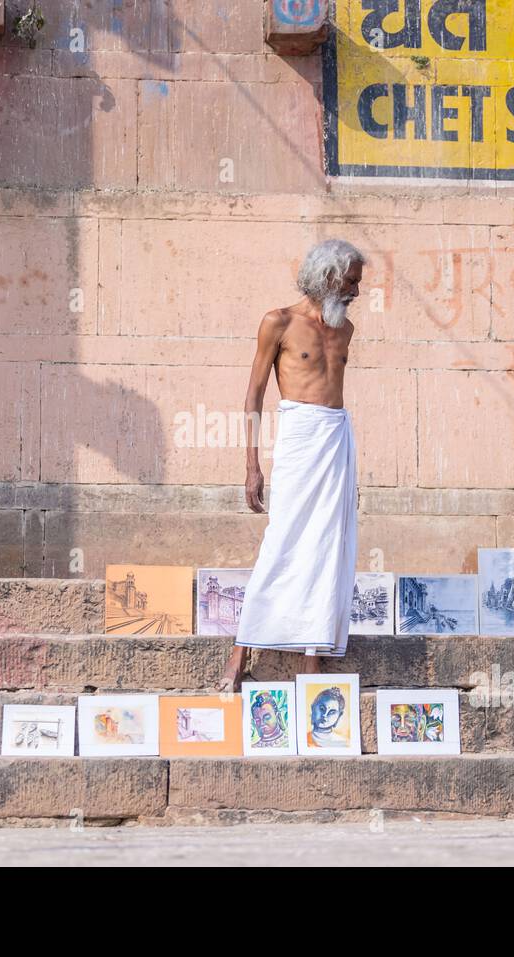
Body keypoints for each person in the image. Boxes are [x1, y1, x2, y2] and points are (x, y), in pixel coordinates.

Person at [218, 238, 365, 692]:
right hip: (299, 438)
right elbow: (254, 394)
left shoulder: (346, 330)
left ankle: (311, 657)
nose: (357, 291)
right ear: (328, 277)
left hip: (335, 438)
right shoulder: (277, 322)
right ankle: (241, 651)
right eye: (352, 282)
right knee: (282, 539)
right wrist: (251, 464)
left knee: (328, 547)